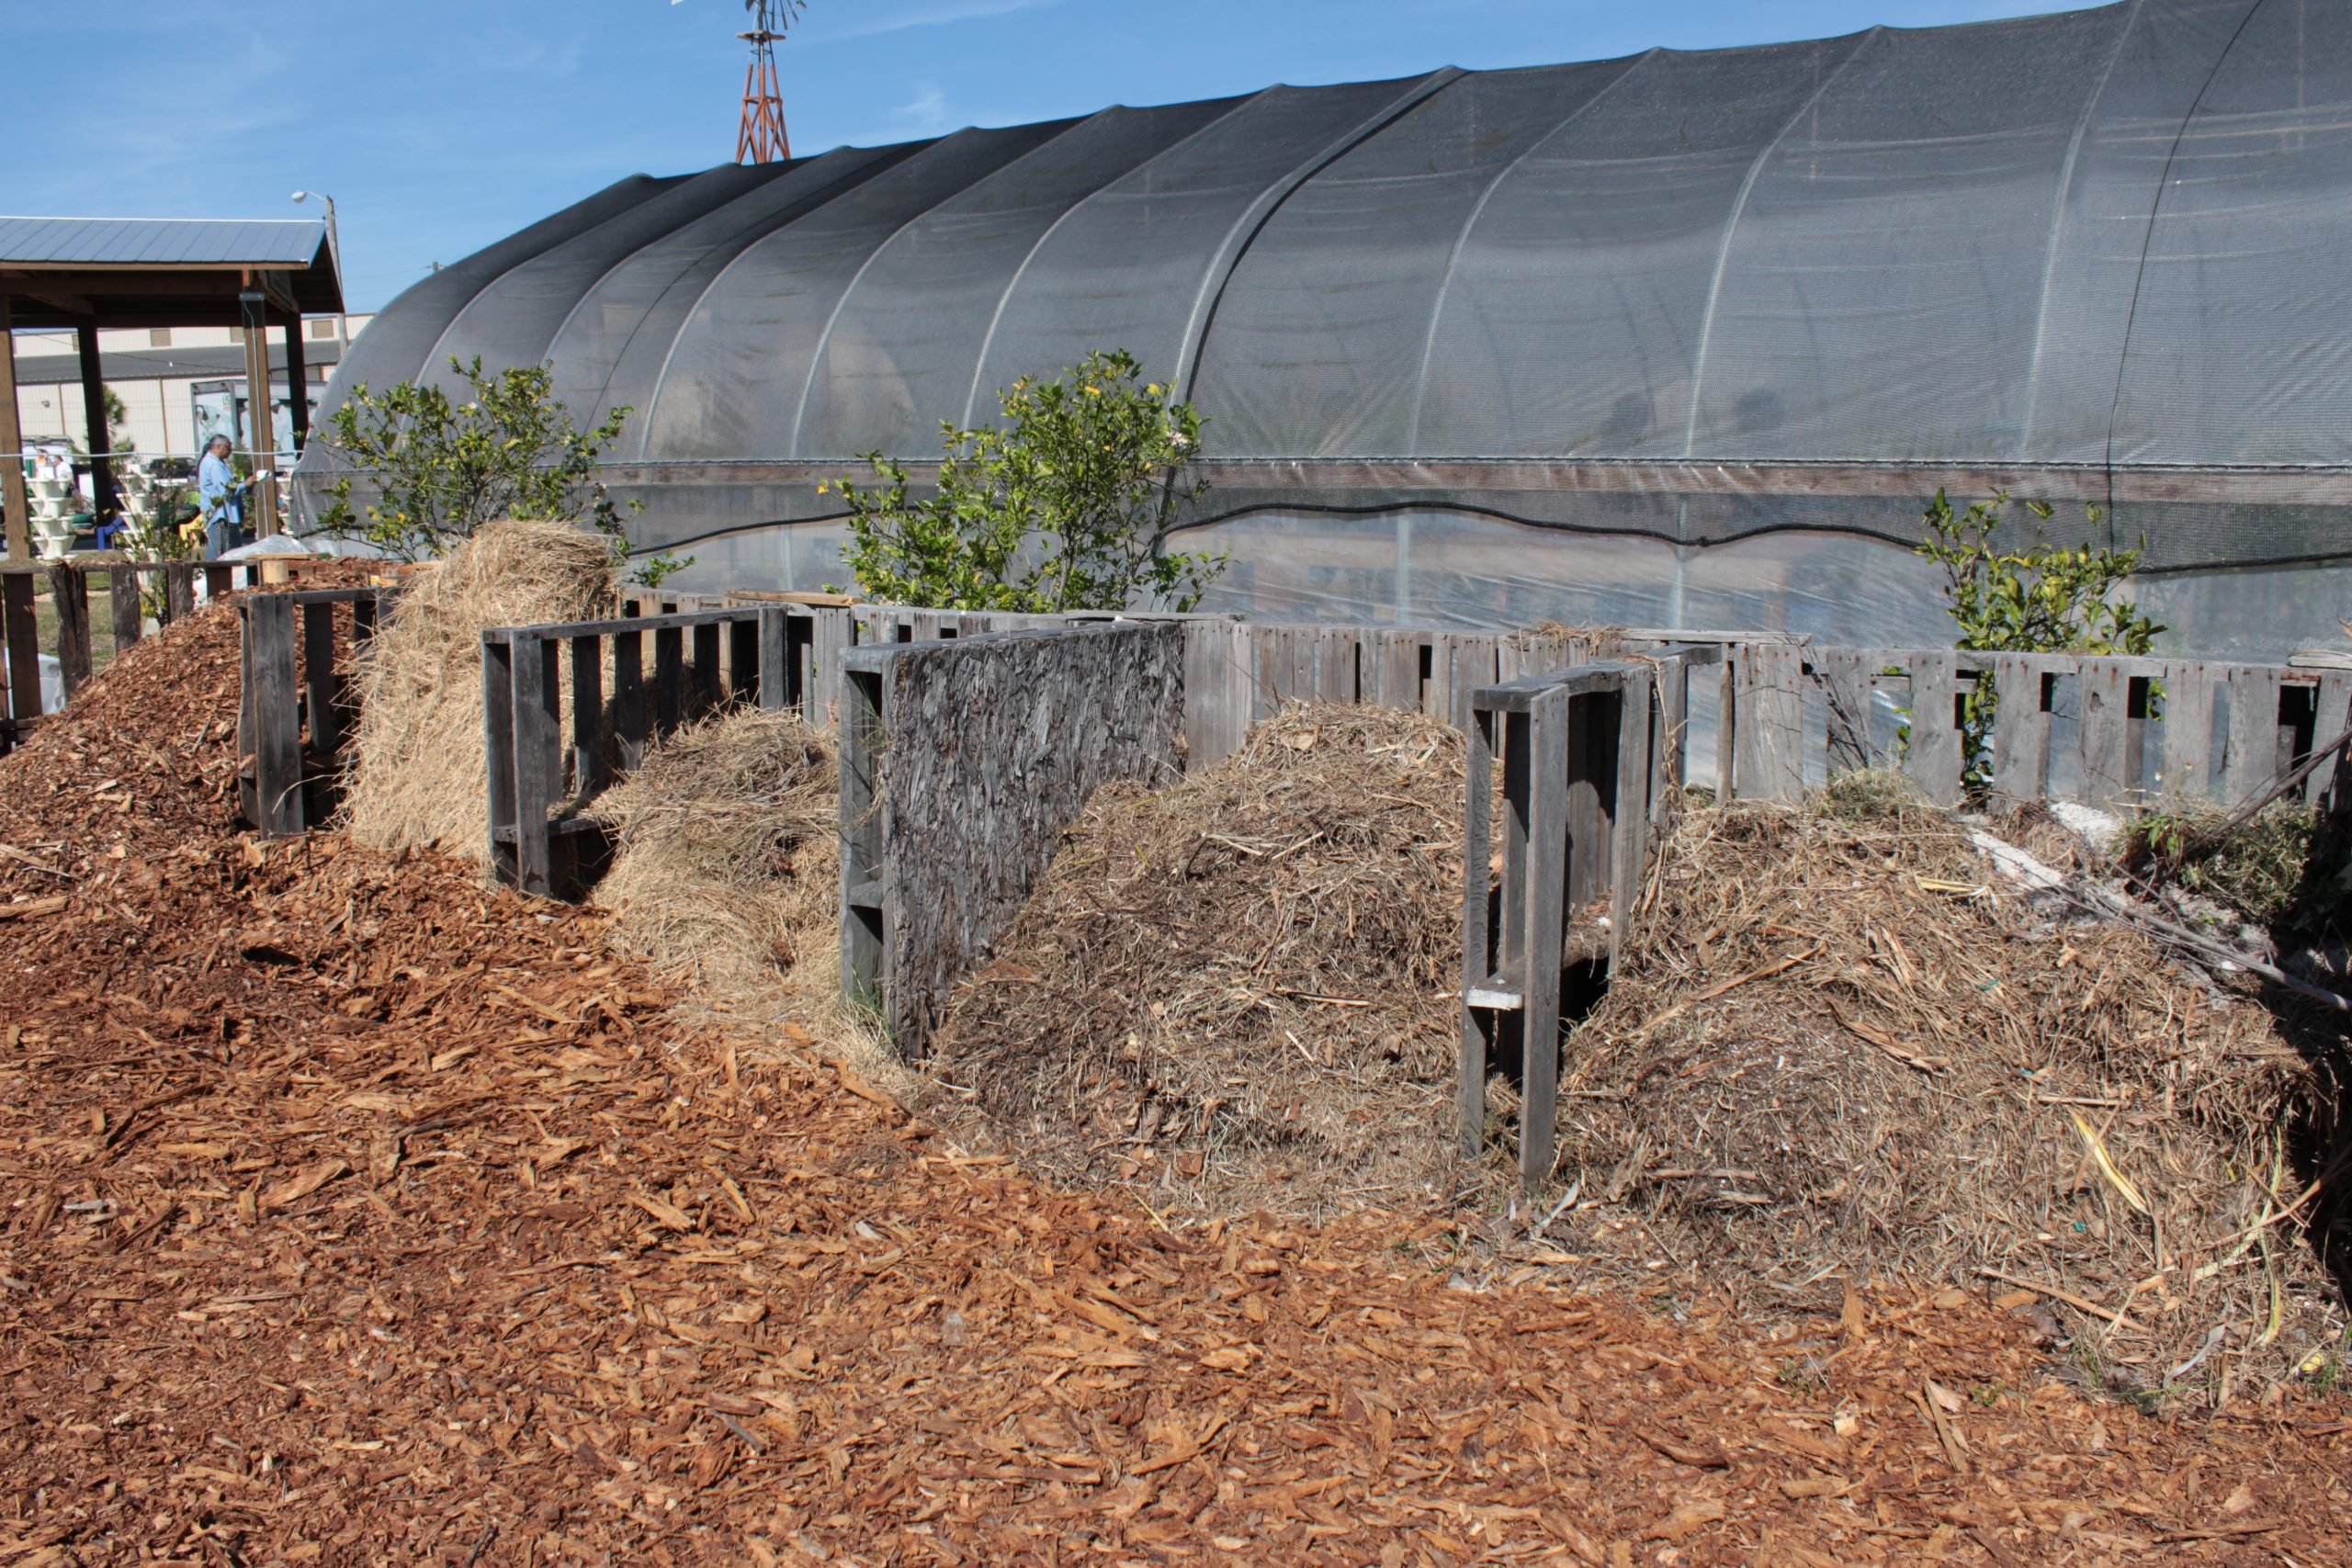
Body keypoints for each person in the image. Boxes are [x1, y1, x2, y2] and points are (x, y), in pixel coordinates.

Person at [198, 435, 243, 559]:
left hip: (223, 515)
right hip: (220, 516)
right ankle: (214, 572)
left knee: (231, 551)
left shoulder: (218, 463)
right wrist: (245, 485)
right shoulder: (214, 465)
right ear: (218, 447)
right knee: (220, 553)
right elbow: (226, 491)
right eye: (228, 448)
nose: (230, 452)